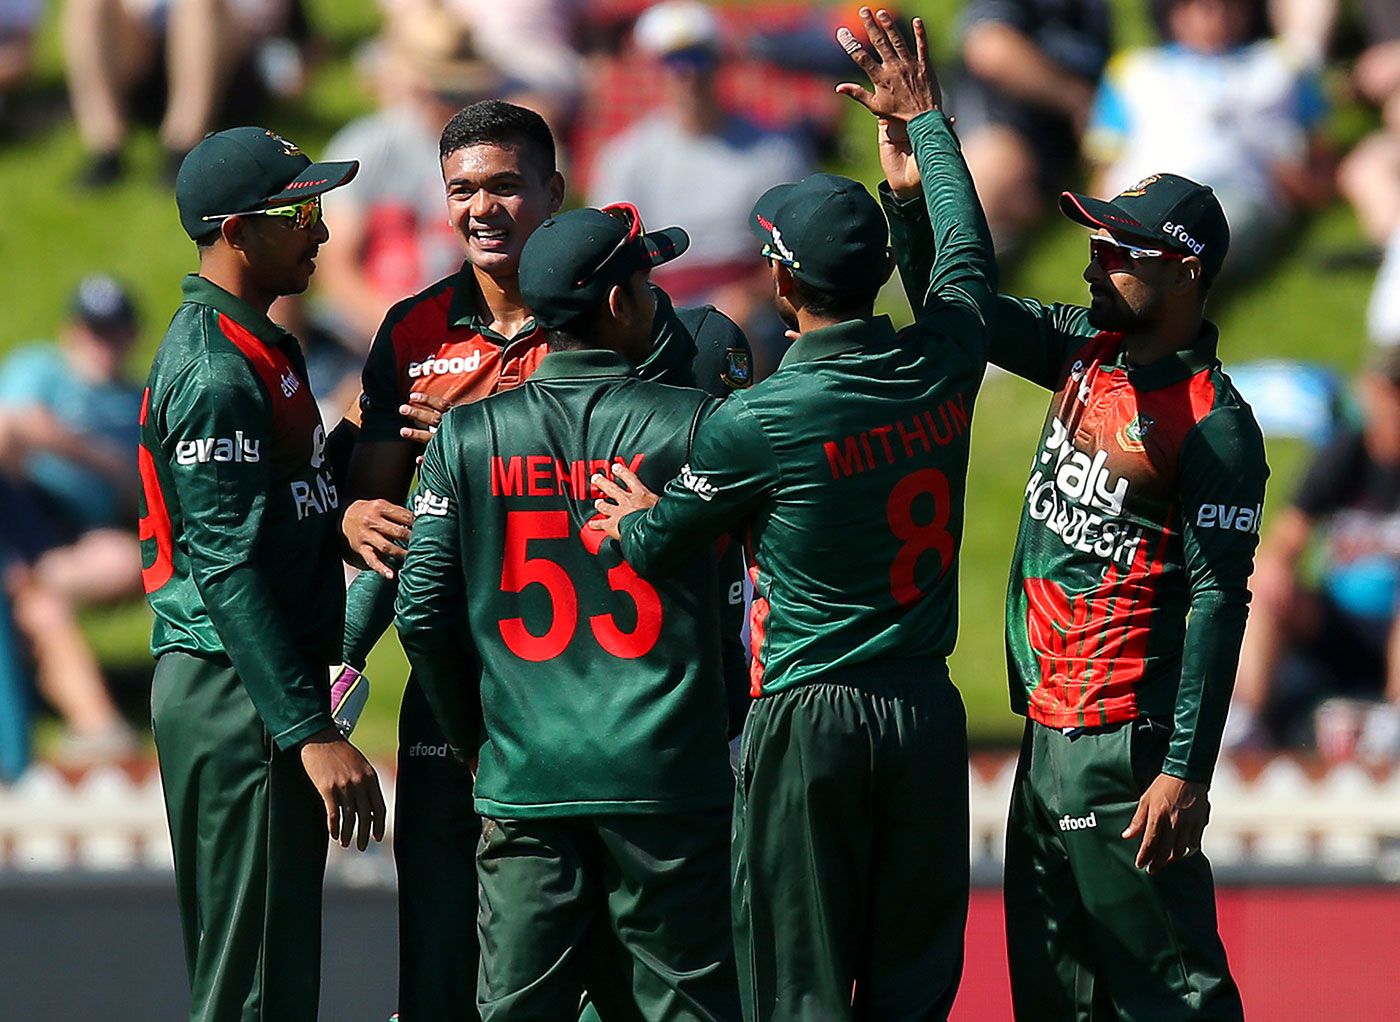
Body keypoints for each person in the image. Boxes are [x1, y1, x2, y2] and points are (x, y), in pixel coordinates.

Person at [594, 12, 992, 1019]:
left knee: (795, 985)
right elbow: (965, 260)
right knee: (910, 988)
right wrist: (924, 131)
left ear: (778, 277)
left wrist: (637, 513)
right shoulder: (945, 362)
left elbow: (657, 546)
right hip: (923, 705)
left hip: (809, 713)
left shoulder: (757, 419)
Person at [335, 98, 752, 1021]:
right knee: (447, 963)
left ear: (554, 192)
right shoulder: (412, 330)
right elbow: (377, 509)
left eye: (504, 186)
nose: (481, 209)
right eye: (461, 191)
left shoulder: (650, 331)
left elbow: (706, 517)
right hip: (469, 696)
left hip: (606, 693)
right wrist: (356, 515)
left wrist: (476, 449)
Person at [883, 163, 1263, 1011]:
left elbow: (1219, 602)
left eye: (1120, 252)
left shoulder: (1216, 425)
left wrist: (1185, 772)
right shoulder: (1082, 348)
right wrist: (910, 196)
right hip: (1045, 737)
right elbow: (958, 310)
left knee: (1172, 996)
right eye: (1095, 243)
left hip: (1124, 749)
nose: (1094, 262)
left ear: (1184, 272)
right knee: (1054, 997)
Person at [139, 126, 385, 1020]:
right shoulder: (216, 370)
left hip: (252, 681)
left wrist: (375, 434)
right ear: (238, 233)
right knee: (251, 988)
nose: (322, 231)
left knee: (274, 978)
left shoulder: (258, 341)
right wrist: (310, 732)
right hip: (234, 684)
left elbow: (281, 505)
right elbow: (228, 567)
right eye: (299, 215)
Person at [588, 0, 810, 377]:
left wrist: (750, 296)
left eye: (698, 58)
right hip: (658, 300)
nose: (687, 74)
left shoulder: (774, 148)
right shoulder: (626, 157)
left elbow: (797, 244)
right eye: (673, 62)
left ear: (719, 63)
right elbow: (609, 253)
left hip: (753, 303)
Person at [0, 275, 144, 763]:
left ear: (131, 336)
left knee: (56, 595)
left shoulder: (137, 402)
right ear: (72, 332)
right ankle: (97, 725)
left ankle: (99, 729)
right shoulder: (41, 368)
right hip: (20, 504)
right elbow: (13, 425)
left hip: (74, 536)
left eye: (113, 331)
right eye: (92, 330)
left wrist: (129, 484)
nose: (101, 343)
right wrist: (102, 461)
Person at [1231, 347, 1400, 758]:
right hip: (1338, 619)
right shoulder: (1346, 455)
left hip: (1393, 628)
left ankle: (1394, 720)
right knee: (1263, 583)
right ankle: (1244, 721)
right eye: (1389, 392)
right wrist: (1276, 568)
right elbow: (1286, 539)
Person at [1085, 0, 1330, 275]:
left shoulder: (1283, 65)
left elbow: (1320, 166)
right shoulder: (1133, 70)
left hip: (1238, 195)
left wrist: (1299, 187)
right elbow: (1104, 167)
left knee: (1198, 245)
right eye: (1200, 7)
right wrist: (1104, 222)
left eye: (1229, 6)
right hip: (1146, 196)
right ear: (1170, 13)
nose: (1216, 17)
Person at [951, 0, 1112, 253]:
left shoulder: (1094, 10)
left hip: (1060, 148)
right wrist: (1079, 101)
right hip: (997, 123)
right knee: (997, 166)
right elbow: (990, 49)